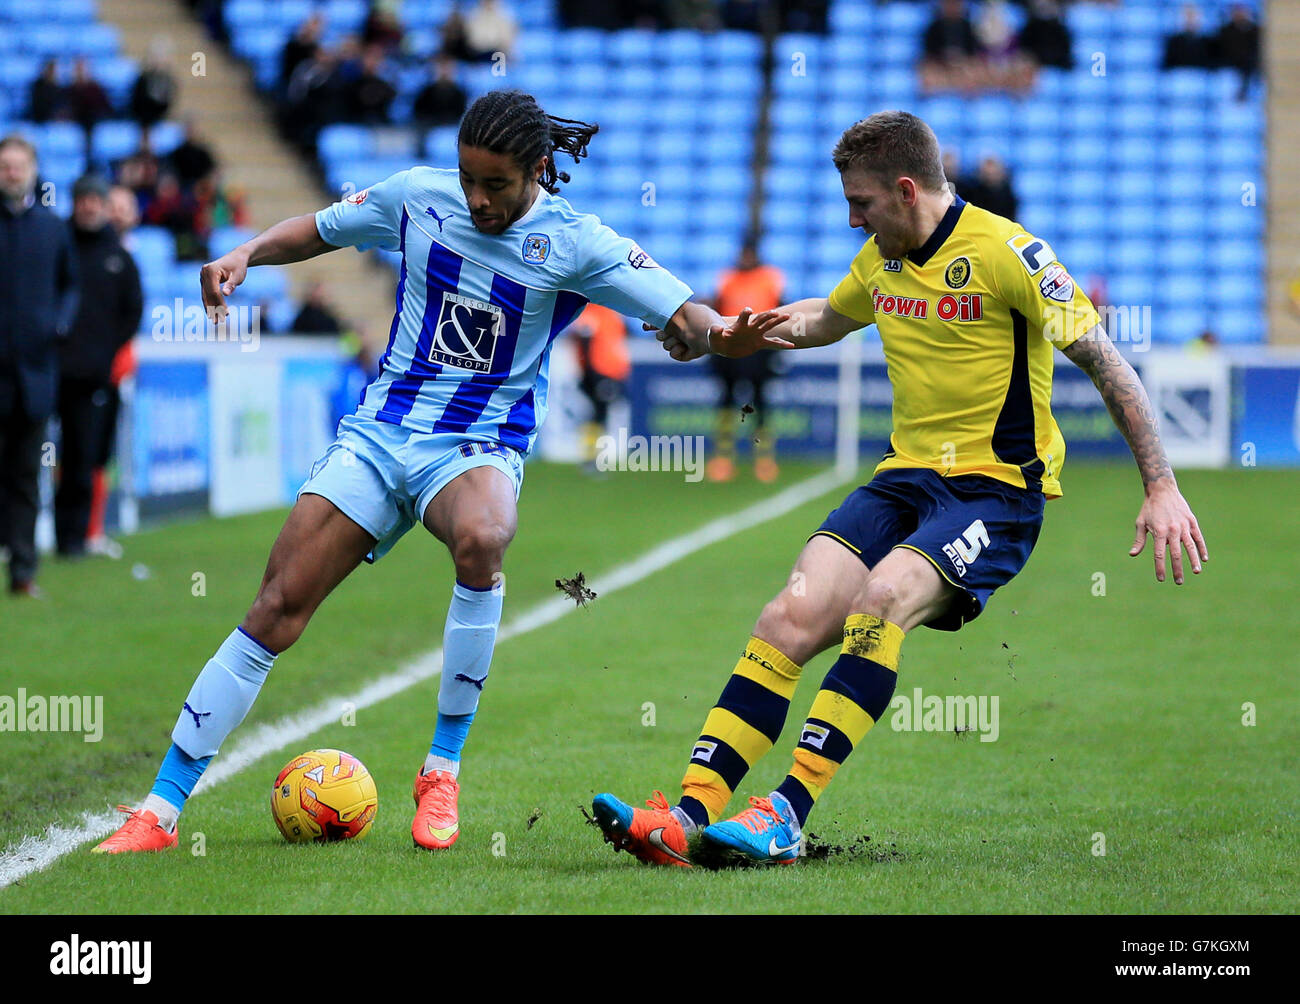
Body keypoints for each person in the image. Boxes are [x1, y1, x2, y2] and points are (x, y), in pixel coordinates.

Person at [92, 89, 781, 854]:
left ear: (539, 170)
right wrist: (245, 252)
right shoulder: (420, 199)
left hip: (476, 446)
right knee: (277, 607)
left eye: (496, 185)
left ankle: (441, 770)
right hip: (382, 435)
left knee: (485, 537)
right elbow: (320, 229)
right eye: (468, 180)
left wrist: (720, 336)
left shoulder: (578, 242)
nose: (478, 199)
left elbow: (692, 316)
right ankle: (159, 809)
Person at [590, 110, 1208, 867]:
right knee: (789, 614)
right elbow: (825, 318)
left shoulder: (1011, 252)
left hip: (995, 493)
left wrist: (1161, 482)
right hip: (903, 480)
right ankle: (686, 818)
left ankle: (785, 816)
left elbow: (1104, 360)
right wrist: (730, 334)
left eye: (862, 204)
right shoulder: (882, 261)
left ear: (907, 190)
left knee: (881, 599)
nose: (853, 220)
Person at [0, 136, 80, 598]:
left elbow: (70, 285)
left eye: (19, 165)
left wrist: (60, 322)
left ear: (32, 170)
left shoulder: (52, 228)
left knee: (27, 478)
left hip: (34, 377)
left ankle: (22, 574)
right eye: (5, 165)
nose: (12, 172)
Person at [55, 175, 142, 559]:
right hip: (45, 369)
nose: (89, 206)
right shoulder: (57, 246)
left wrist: (103, 350)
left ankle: (73, 540)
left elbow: (132, 312)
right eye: (83, 199)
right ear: (74, 202)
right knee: (22, 453)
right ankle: (13, 539)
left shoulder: (119, 258)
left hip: (93, 374)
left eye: (95, 199)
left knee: (82, 457)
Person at [708, 240, 785, 483]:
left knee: (760, 401)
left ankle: (763, 458)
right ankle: (723, 457)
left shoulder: (770, 278)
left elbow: (783, 309)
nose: (746, 259)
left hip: (760, 347)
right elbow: (716, 310)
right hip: (730, 346)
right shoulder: (727, 278)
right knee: (726, 400)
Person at [567, 302, 628, 467]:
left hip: (610, 371)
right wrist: (589, 374)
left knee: (601, 413)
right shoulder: (591, 312)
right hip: (599, 372)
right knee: (598, 413)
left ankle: (592, 456)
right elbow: (585, 341)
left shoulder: (608, 312)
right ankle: (590, 457)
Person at [413, 55, 469, 130]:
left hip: (453, 130)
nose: (444, 73)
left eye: (448, 69)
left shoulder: (460, 93)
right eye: (441, 68)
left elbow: (462, 114)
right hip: (430, 130)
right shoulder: (426, 93)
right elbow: (420, 114)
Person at [1162, 4, 1214, 70]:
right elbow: (1168, 65)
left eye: (1193, 17)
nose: (1190, 20)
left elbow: (1210, 63)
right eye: (1187, 17)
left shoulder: (1207, 42)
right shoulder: (1174, 42)